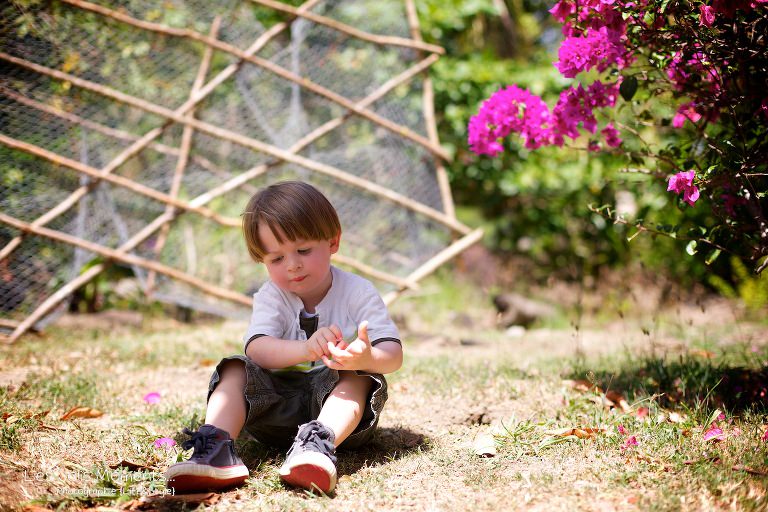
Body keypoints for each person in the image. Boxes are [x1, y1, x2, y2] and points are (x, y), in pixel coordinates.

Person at [164, 181, 403, 494]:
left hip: (339, 418)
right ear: (262, 260)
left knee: (358, 376)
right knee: (236, 366)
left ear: (333, 241)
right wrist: (305, 349)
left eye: (303, 250)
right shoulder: (271, 296)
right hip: (273, 412)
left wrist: (366, 358)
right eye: (276, 259)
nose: (293, 265)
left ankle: (316, 447)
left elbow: (393, 354)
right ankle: (215, 447)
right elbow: (258, 349)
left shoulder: (358, 292)